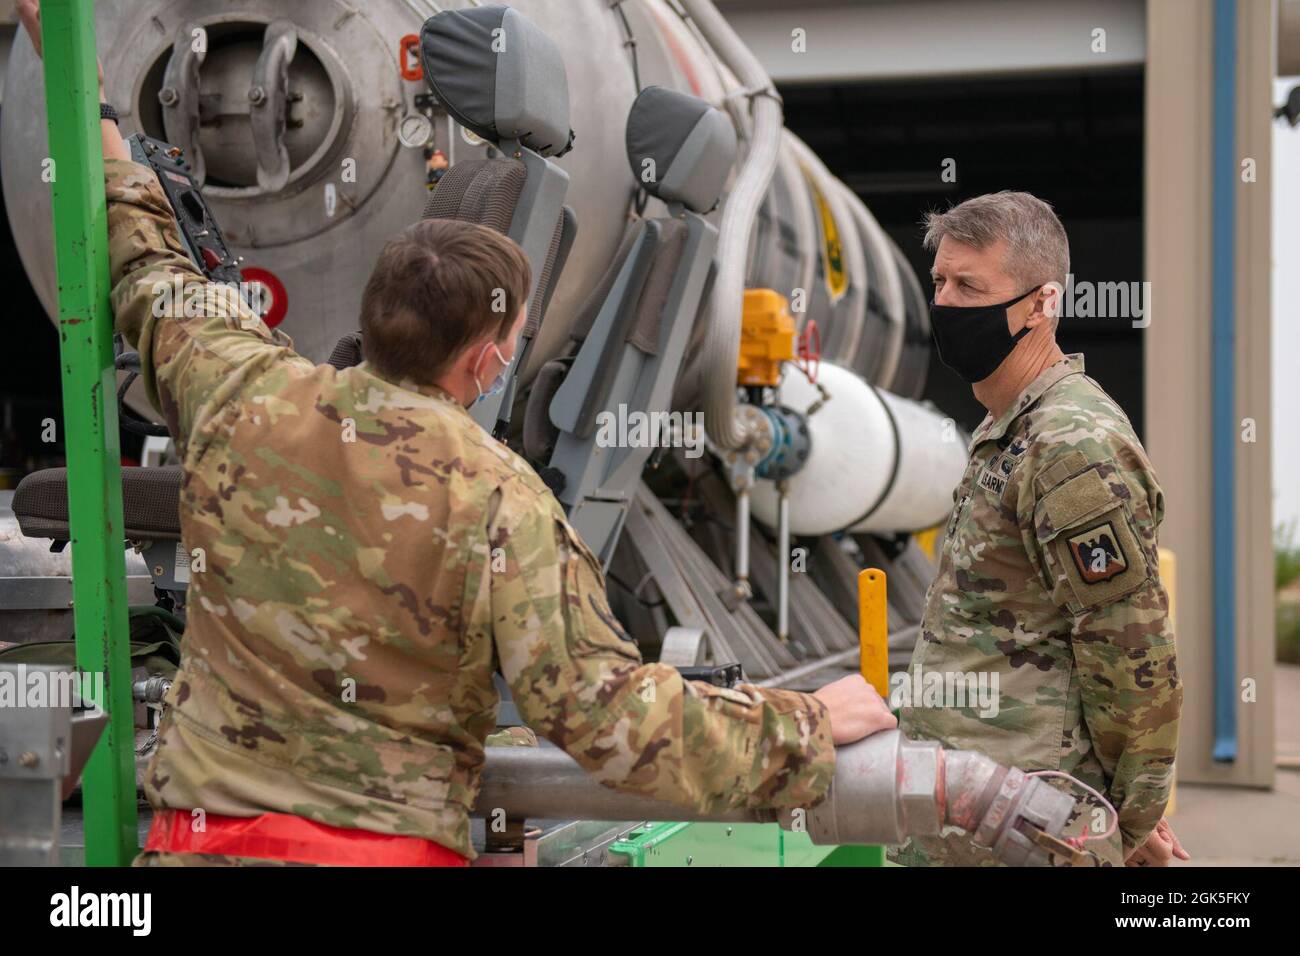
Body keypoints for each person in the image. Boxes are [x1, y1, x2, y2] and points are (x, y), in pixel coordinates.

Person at [17, 0, 894, 866]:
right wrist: (810, 725)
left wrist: (85, 93)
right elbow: (611, 721)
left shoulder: (240, 393)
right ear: (486, 360)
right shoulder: (501, 498)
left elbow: (146, 259)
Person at [890, 191, 1186, 867]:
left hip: (1029, 829)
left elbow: (1134, 666)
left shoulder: (1070, 443)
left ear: (1040, 304)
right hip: (962, 816)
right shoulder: (1006, 425)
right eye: (940, 281)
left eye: (970, 286)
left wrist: (1122, 826)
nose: (947, 304)